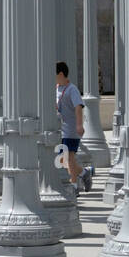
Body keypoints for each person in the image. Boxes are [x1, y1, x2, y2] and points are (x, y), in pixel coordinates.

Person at [56, 62, 90, 191]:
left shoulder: (72, 89)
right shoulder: (56, 88)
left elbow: (78, 107)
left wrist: (79, 125)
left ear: (61, 74)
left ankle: (74, 186)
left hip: (71, 129)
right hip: (60, 129)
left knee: (68, 157)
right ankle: (83, 173)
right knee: (62, 160)